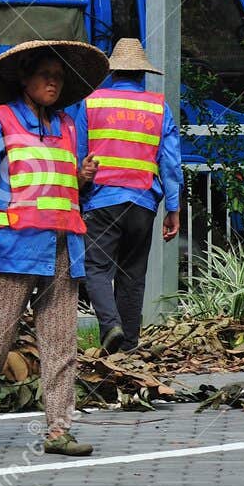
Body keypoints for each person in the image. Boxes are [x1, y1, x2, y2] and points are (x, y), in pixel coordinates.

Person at [0, 39, 108, 457]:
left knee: (61, 344)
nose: (53, 84)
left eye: (58, 78)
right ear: (24, 78)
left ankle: (59, 429)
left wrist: (81, 178)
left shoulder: (68, 127)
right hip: (13, 248)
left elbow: (60, 189)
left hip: (62, 248)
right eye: (45, 76)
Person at [71, 37, 182, 354]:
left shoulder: (91, 103)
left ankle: (110, 326)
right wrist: (173, 209)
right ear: (142, 74)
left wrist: (78, 188)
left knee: (96, 270)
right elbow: (171, 164)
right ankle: (129, 346)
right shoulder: (158, 107)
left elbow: (78, 157)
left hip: (102, 202)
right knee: (132, 276)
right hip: (143, 205)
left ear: (112, 71)